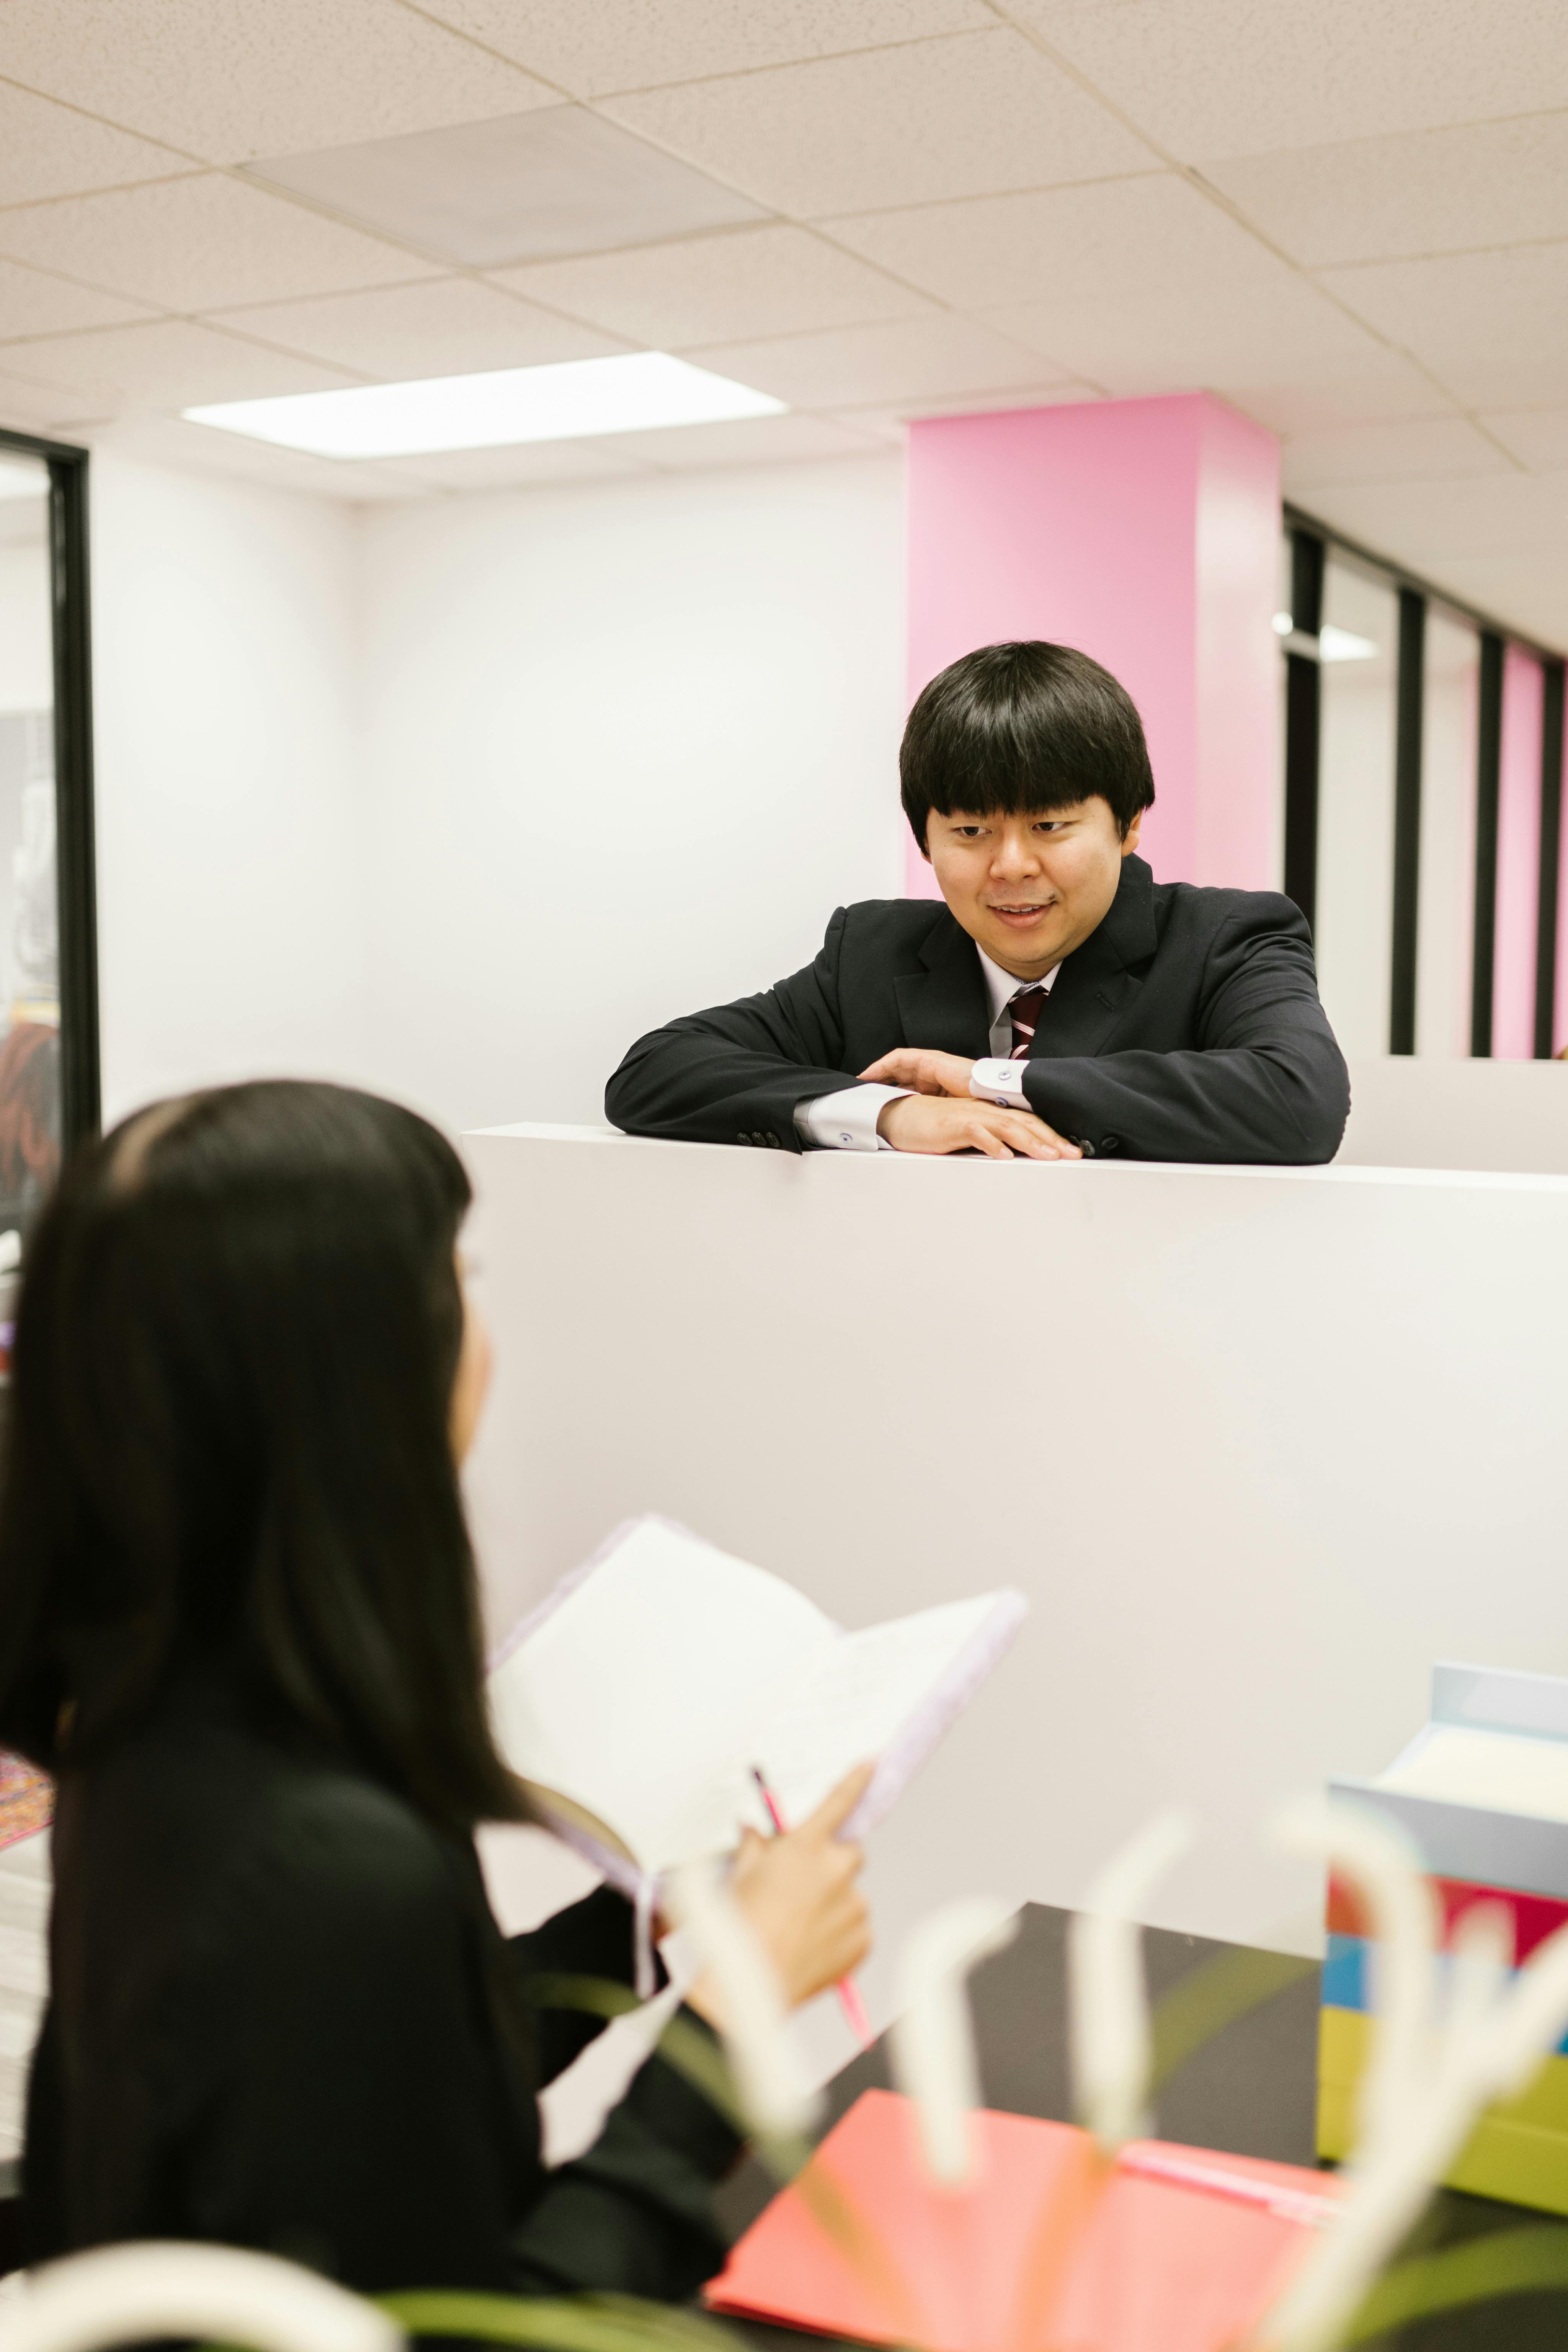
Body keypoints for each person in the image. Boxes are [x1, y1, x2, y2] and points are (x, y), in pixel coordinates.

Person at [0, 1081, 870, 2298]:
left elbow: (360, 2080)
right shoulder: (330, 1865)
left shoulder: (148, 1709)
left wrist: (629, 1936)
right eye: (455, 1279)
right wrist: (726, 2034)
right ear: (359, 1377)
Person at [606, 642, 1349, 1166]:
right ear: (924, 841)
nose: (1010, 865)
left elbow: (1297, 1100)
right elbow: (657, 1071)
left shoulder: (1225, 938)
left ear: (1127, 825)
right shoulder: (871, 948)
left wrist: (984, 1080)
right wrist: (893, 1113)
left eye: (1049, 825)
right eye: (969, 831)